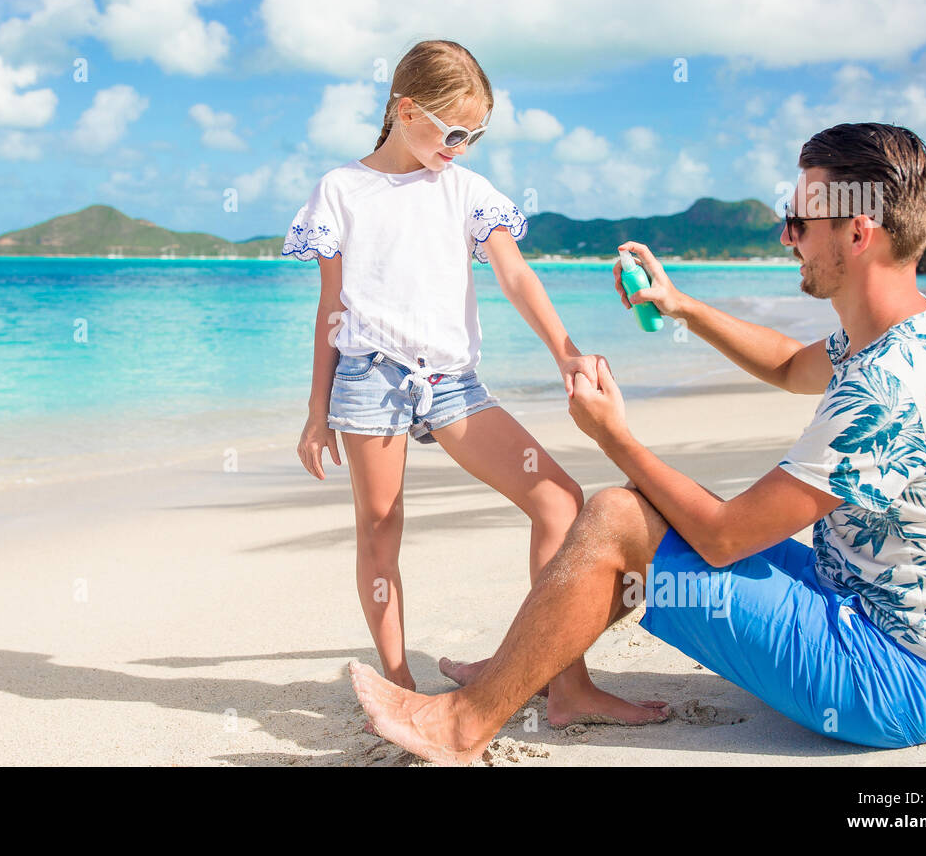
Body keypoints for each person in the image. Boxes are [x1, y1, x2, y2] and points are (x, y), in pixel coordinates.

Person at [350, 122, 926, 763]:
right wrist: (682, 306)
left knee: (619, 516)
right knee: (645, 510)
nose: (788, 238)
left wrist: (614, 435)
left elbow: (725, 538)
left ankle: (465, 725)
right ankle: (545, 679)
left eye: (799, 222)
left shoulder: (891, 386)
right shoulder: (907, 331)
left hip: (900, 679)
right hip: (878, 612)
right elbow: (790, 365)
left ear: (858, 231)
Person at [286, 39, 667, 727]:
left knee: (559, 500)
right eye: (454, 131)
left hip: (452, 381)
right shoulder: (341, 191)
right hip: (370, 380)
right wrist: (317, 411)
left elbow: (516, 277)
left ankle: (565, 685)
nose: (462, 146)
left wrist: (567, 353)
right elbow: (332, 308)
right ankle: (401, 684)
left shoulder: (465, 190)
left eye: (476, 134)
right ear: (407, 111)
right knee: (380, 529)